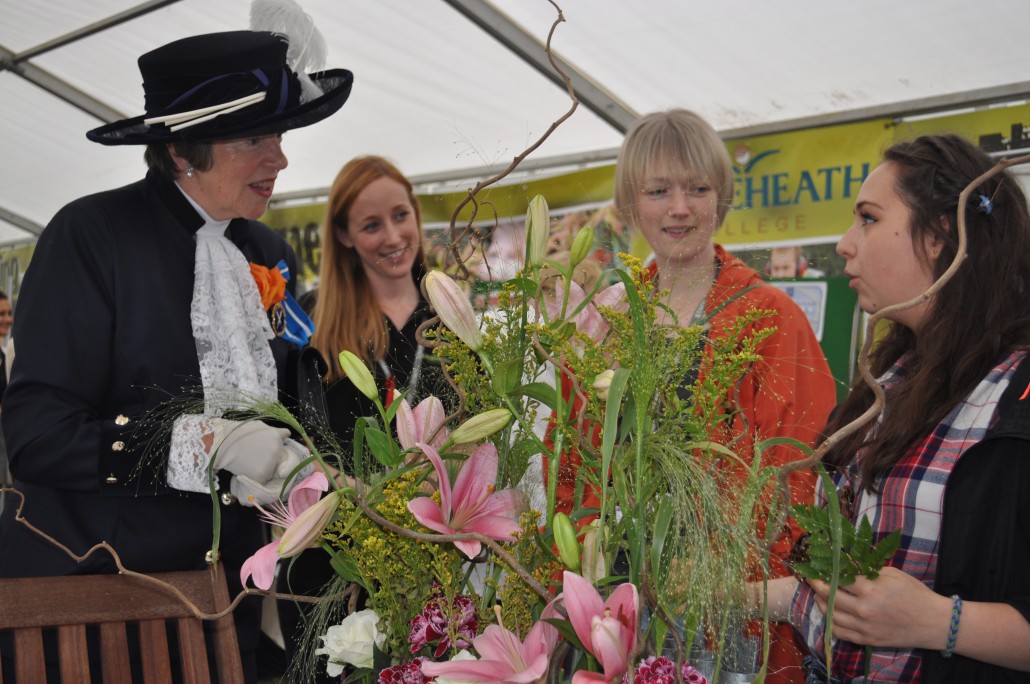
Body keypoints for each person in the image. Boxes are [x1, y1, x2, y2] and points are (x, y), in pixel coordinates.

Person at [0, 26, 353, 682]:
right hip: (100, 612)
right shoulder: (89, 236)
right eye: (254, 139)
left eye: (279, 137)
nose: (278, 160)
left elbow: (272, 398)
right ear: (181, 152)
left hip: (231, 609)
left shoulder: (268, 253)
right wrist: (204, 447)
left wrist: (295, 461)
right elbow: (37, 436)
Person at [553, 109, 837, 683]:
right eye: (658, 191)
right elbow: (572, 461)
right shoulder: (605, 321)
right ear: (631, 204)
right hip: (620, 604)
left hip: (735, 607)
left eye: (697, 189)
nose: (679, 208)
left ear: (721, 197)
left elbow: (802, 469)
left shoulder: (769, 318)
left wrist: (729, 580)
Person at [756, 134, 1030, 682]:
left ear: (938, 237)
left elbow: (905, 614)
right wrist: (713, 590)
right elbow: (848, 600)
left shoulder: (1015, 397)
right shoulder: (893, 381)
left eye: (869, 219)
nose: (844, 243)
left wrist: (938, 622)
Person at [278, 155, 449, 673]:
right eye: (371, 225)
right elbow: (295, 451)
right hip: (341, 570)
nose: (394, 236)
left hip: (439, 561)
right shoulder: (313, 330)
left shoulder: (452, 316)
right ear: (345, 237)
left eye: (401, 215)